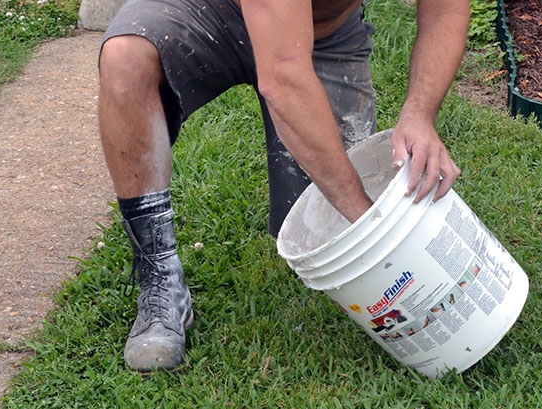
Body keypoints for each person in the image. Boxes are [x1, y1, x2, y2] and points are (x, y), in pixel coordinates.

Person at [98, 0, 469, 373]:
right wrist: (367, 222)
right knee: (126, 57)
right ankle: (158, 272)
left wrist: (420, 115)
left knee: (326, 223)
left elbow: (445, 10)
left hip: (321, 33)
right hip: (210, 8)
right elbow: (283, 77)